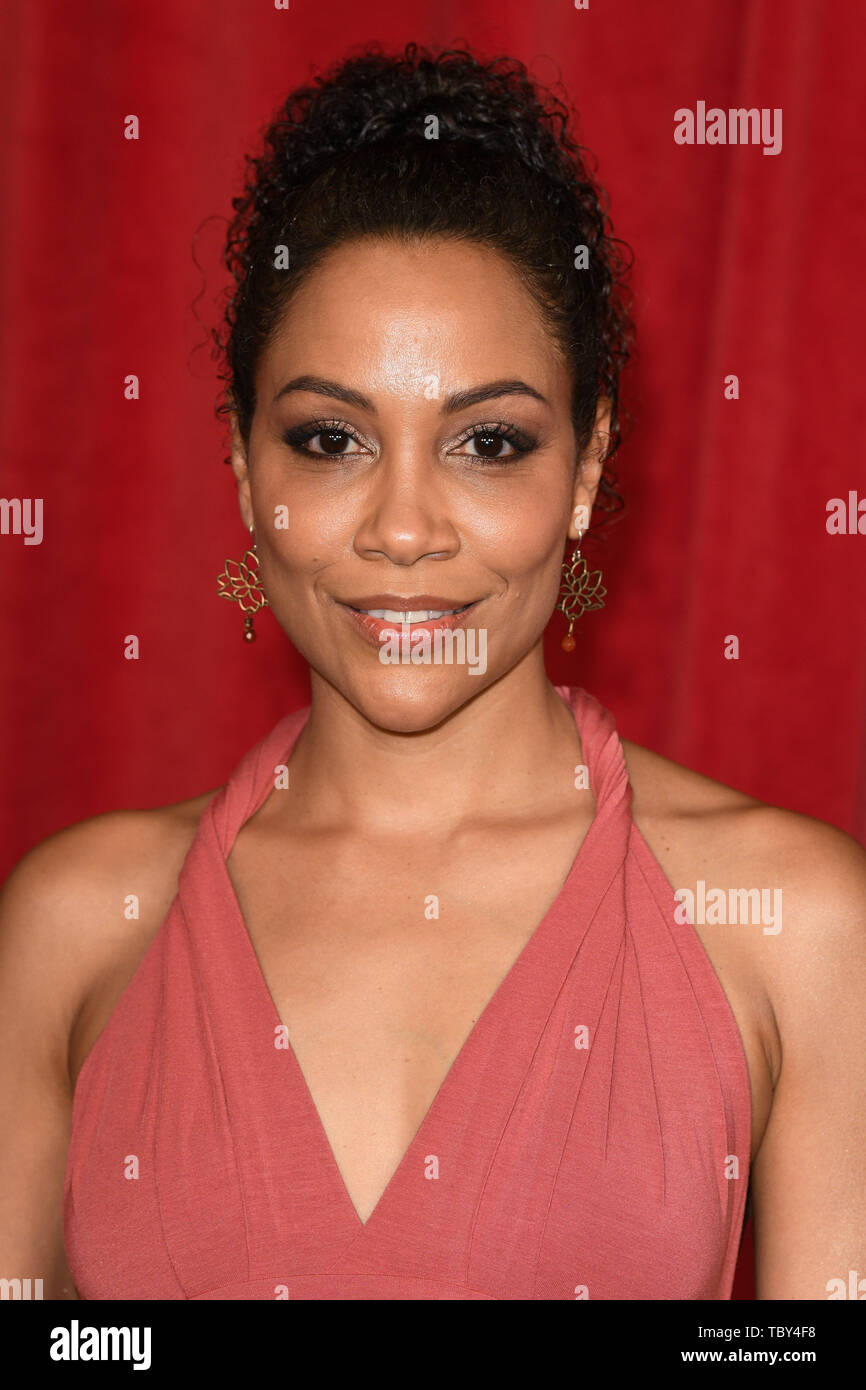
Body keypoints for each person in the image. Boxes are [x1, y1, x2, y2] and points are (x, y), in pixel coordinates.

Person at [1, 42, 864, 1302]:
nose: (404, 529)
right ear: (247, 467)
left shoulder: (798, 925)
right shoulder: (71, 930)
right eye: (330, 438)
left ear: (583, 466)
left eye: (488, 441)